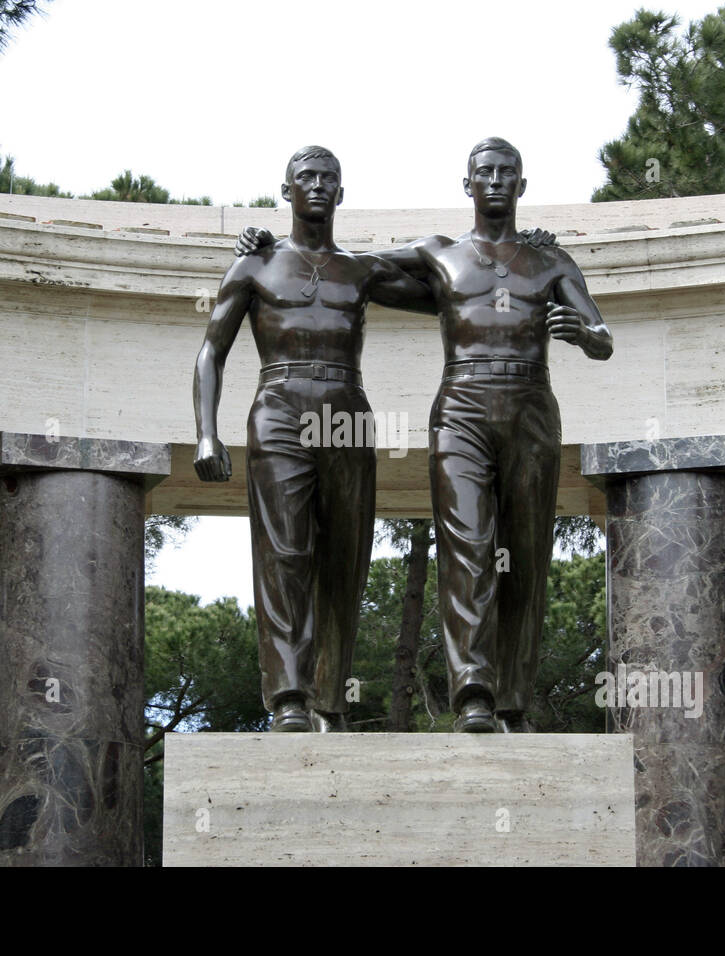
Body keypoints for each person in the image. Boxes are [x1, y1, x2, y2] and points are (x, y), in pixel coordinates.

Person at [237, 138, 612, 732]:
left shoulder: (552, 262)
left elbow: (601, 333)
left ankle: (513, 699)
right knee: (468, 546)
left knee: (526, 554)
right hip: (460, 405)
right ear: (467, 185)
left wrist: (587, 335)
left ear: (522, 184)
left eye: (506, 172)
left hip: (532, 406)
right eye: (483, 171)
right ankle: (474, 697)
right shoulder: (438, 254)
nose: (494, 179)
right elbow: (349, 264)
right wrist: (269, 248)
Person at [193, 146, 434, 732]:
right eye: (308, 177)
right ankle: (289, 699)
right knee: (285, 555)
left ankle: (330, 700)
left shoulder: (361, 269)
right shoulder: (256, 265)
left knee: (345, 559)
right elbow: (211, 352)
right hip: (278, 406)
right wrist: (206, 434)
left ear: (343, 194)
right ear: (287, 190)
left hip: (346, 409)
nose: (320, 185)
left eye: (330, 178)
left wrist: (513, 255)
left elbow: (454, 295)